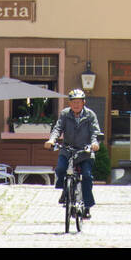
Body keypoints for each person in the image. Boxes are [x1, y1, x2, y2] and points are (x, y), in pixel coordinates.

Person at [44, 89, 102, 218]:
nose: (76, 104)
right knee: (60, 169)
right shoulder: (65, 114)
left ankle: (87, 206)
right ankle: (65, 191)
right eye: (73, 102)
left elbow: (95, 132)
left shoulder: (90, 115)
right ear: (70, 103)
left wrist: (94, 143)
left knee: (86, 176)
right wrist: (52, 140)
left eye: (78, 102)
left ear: (83, 103)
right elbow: (58, 128)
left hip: (85, 151)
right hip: (68, 150)